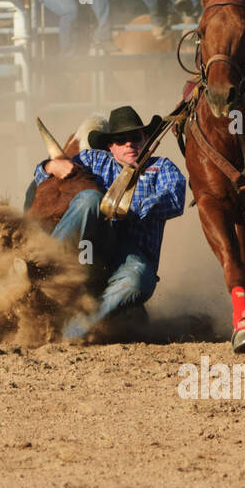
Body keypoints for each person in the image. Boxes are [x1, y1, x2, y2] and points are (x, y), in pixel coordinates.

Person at [33, 105, 186, 340]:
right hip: (91, 248)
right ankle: (43, 265)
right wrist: (50, 166)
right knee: (90, 199)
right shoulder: (93, 160)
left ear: (146, 139)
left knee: (139, 278)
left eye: (135, 137)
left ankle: (74, 331)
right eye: (120, 140)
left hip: (131, 258)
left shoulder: (161, 168)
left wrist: (132, 208)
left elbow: (174, 198)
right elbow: (41, 176)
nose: (129, 144)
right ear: (110, 146)